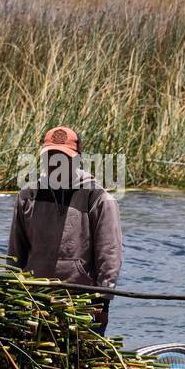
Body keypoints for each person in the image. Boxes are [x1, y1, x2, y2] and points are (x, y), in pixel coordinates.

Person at [8, 126, 123, 335]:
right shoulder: (28, 196)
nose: (56, 164)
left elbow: (109, 253)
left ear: (77, 159)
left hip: (80, 301)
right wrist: (14, 291)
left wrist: (103, 301)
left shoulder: (98, 198)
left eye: (63, 158)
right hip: (35, 298)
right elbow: (16, 252)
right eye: (51, 157)